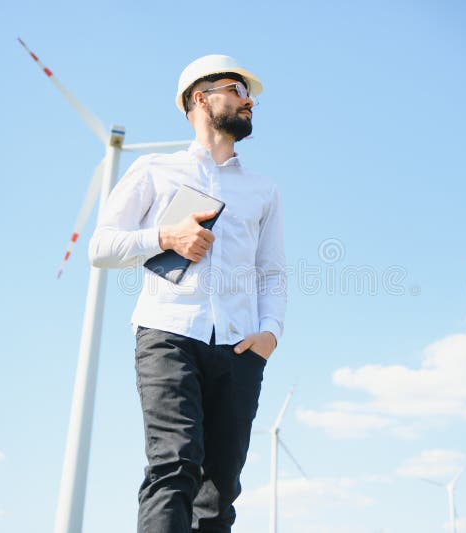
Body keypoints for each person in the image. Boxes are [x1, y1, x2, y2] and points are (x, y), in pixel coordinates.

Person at [88, 54, 287, 532]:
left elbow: (272, 272)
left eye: (251, 95)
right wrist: (165, 237)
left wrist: (270, 336)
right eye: (238, 89)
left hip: (240, 348)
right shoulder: (154, 169)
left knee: (219, 491)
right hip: (167, 335)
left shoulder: (264, 190)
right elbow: (101, 247)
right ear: (201, 97)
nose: (249, 101)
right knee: (174, 467)